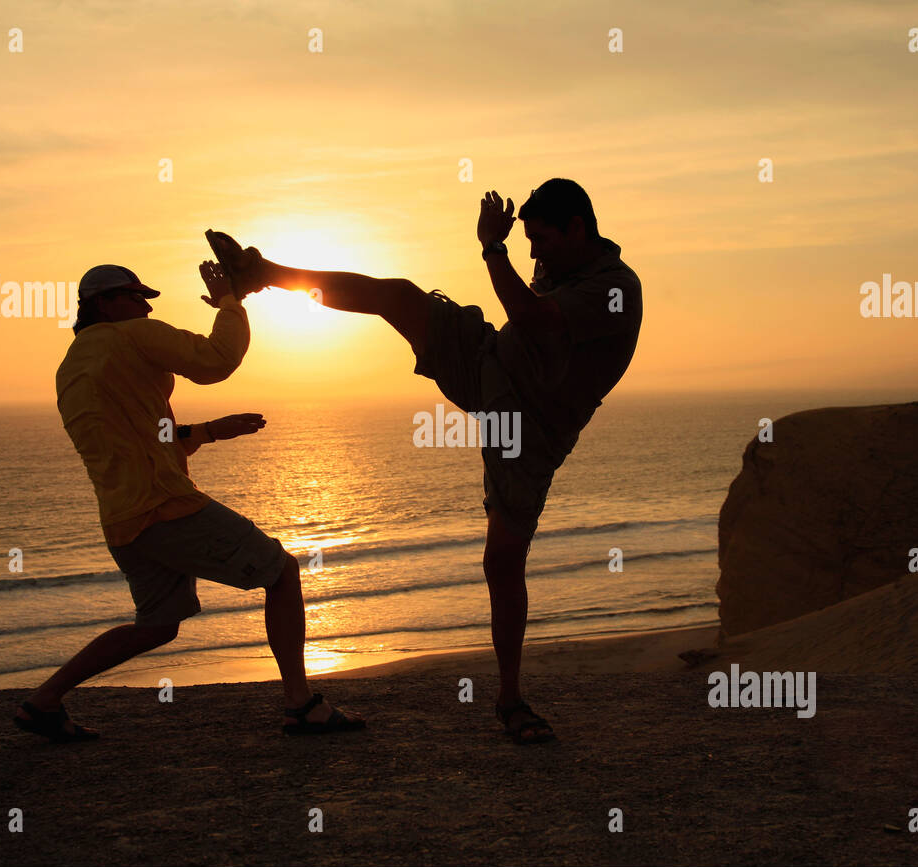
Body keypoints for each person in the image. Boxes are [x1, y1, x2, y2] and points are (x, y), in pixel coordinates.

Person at [206, 178, 641, 743]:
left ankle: (510, 699)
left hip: (527, 430)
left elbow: (538, 322)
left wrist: (493, 249)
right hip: (487, 361)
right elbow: (529, 329)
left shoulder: (614, 288)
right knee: (398, 295)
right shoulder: (567, 264)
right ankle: (262, 275)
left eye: (541, 240)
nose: (533, 252)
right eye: (527, 241)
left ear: (578, 228)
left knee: (502, 562)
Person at [14, 261, 365, 742]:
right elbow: (217, 359)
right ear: (104, 303)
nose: (145, 304)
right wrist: (229, 301)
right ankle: (301, 705)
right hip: (166, 507)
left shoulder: (71, 366)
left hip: (123, 520)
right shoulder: (133, 335)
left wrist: (207, 432)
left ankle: (45, 700)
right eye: (135, 295)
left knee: (158, 625)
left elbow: (135, 438)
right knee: (280, 572)